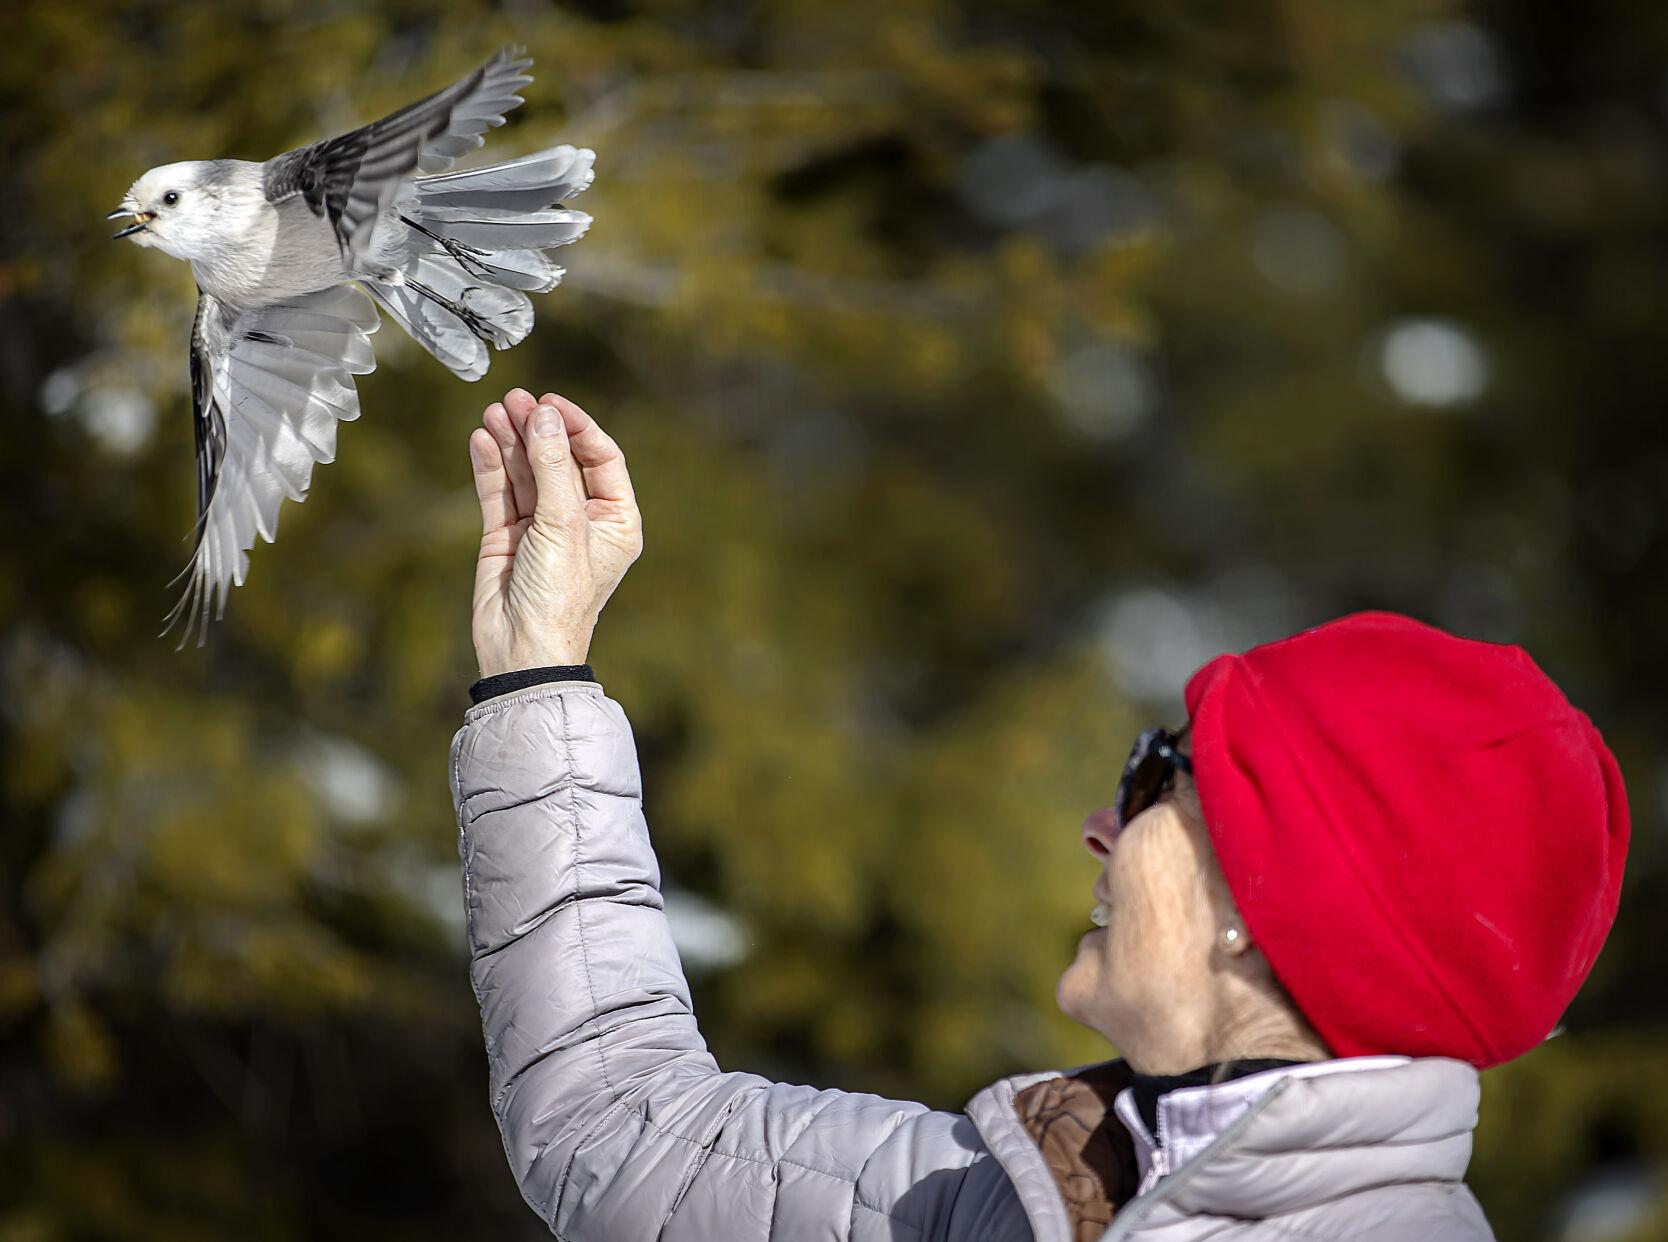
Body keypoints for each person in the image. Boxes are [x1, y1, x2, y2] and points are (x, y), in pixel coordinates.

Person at [451, 388, 1630, 1241]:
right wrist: (537, 667)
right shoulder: (1034, 1195)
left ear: (1268, 904)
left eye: (1157, 777)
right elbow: (620, 1134)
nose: (1102, 827)